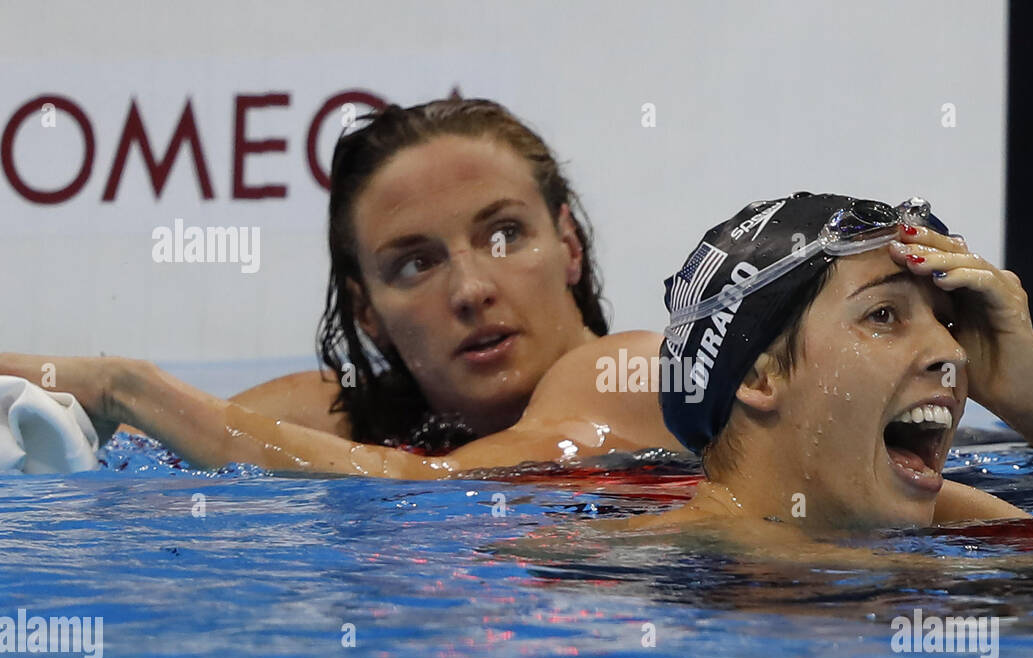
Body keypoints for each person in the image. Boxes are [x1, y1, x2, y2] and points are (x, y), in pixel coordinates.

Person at [0, 95, 681, 474]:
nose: (471, 288)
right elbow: (145, 458)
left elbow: (435, 488)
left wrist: (128, 387)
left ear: (567, 244)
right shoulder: (348, 415)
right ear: (368, 313)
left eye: (502, 235)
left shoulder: (631, 374)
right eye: (415, 263)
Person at [637, 192, 1033, 534]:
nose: (952, 352)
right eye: (883, 315)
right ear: (757, 374)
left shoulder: (950, 523)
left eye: (946, 319)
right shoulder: (632, 570)